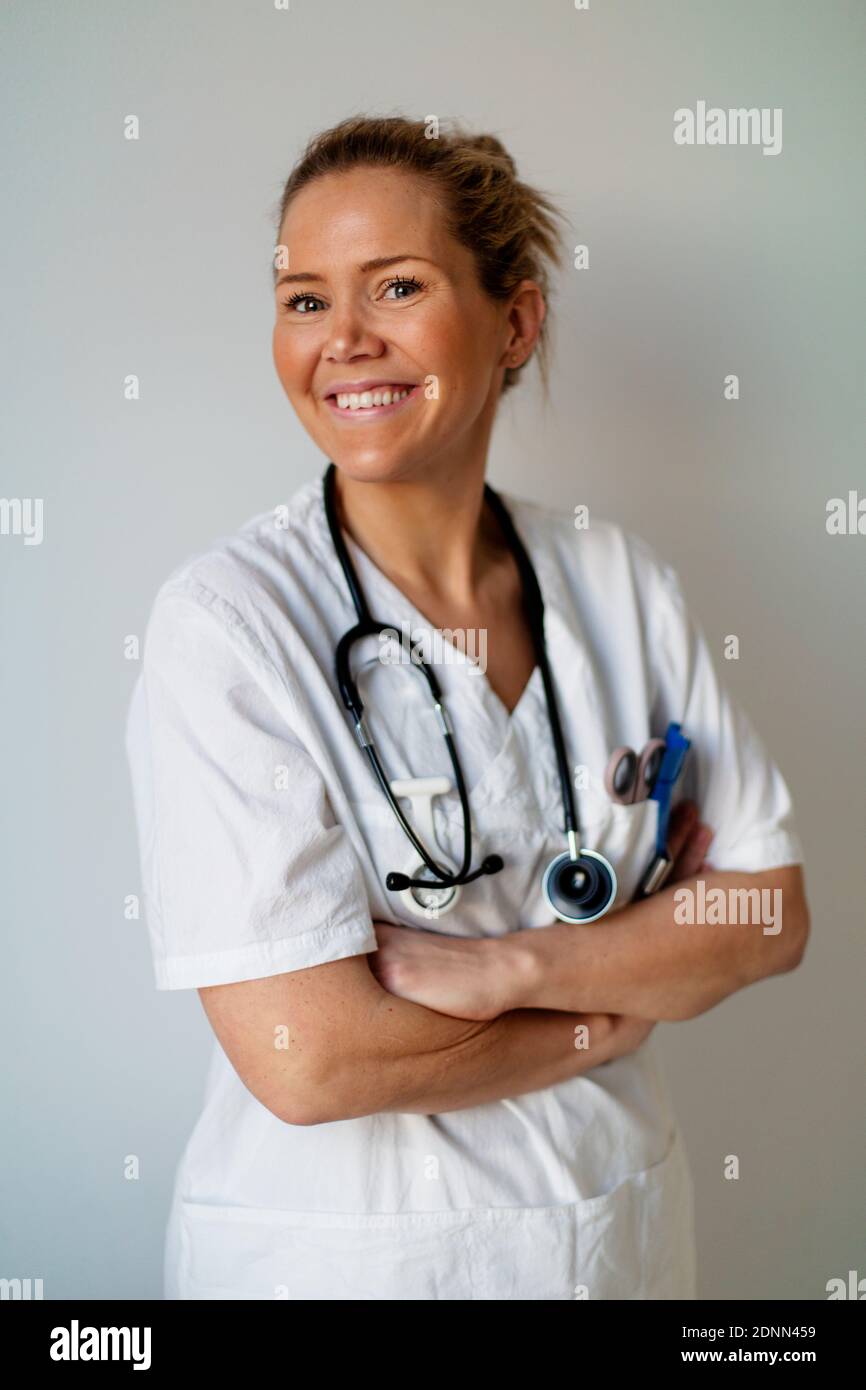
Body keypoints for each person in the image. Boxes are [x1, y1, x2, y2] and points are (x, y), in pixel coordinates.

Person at [124, 114, 809, 1301]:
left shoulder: (619, 582)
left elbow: (765, 915)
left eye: (396, 286)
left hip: (615, 1239)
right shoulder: (227, 626)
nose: (342, 340)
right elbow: (309, 1059)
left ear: (516, 321)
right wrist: (609, 1009)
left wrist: (509, 968)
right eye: (301, 299)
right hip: (346, 1264)